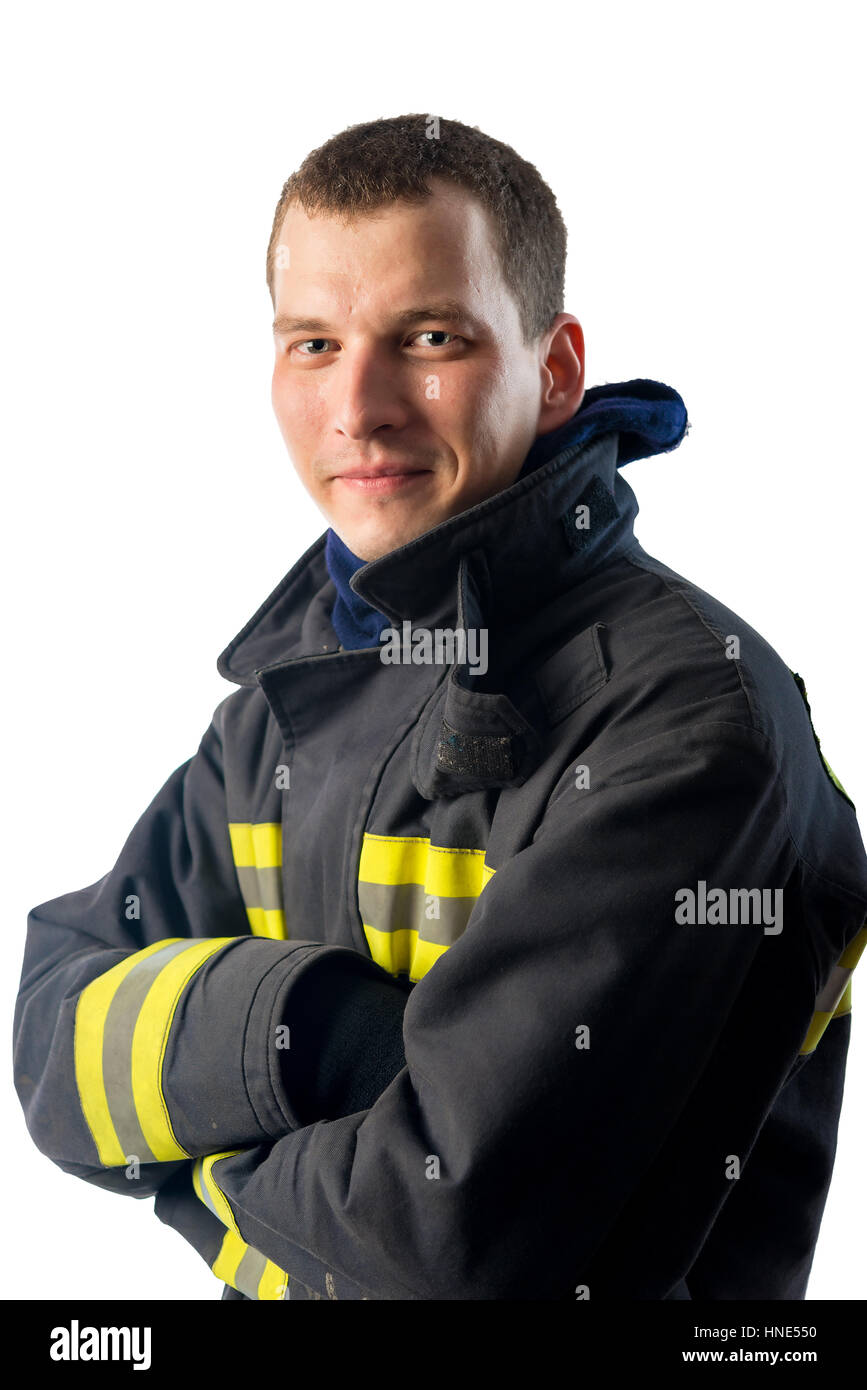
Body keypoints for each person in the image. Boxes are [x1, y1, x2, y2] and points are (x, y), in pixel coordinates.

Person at [13, 113, 867, 1302]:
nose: (358, 406)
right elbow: (54, 1045)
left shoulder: (689, 721)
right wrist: (313, 1028)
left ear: (555, 369)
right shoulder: (283, 703)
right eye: (312, 342)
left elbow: (448, 1260)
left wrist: (186, 1176)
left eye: (427, 336)